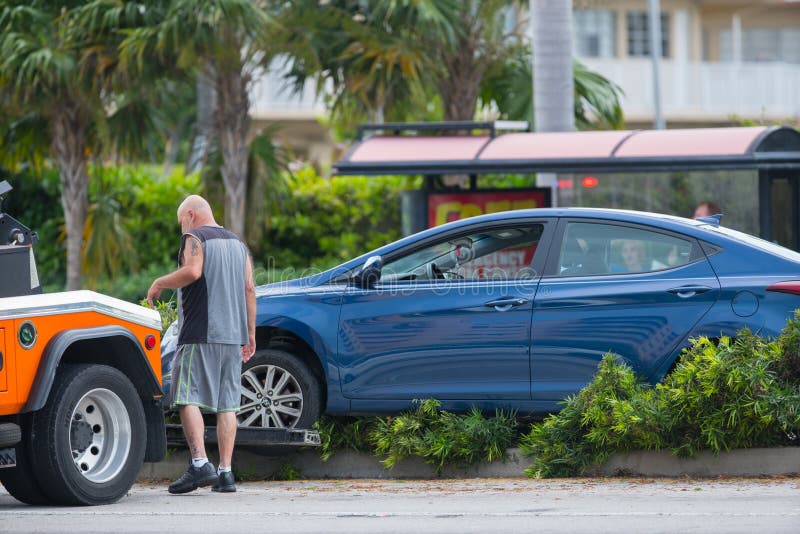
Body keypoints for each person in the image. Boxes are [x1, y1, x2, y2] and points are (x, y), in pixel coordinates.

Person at [147, 195, 256, 494]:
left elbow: (193, 271)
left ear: (191, 215)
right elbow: (249, 289)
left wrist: (160, 282)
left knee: (185, 397)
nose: (181, 227)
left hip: (200, 333)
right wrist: (251, 334)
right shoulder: (238, 244)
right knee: (227, 405)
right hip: (233, 337)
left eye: (181, 221)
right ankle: (226, 473)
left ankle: (199, 464)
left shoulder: (194, 237)